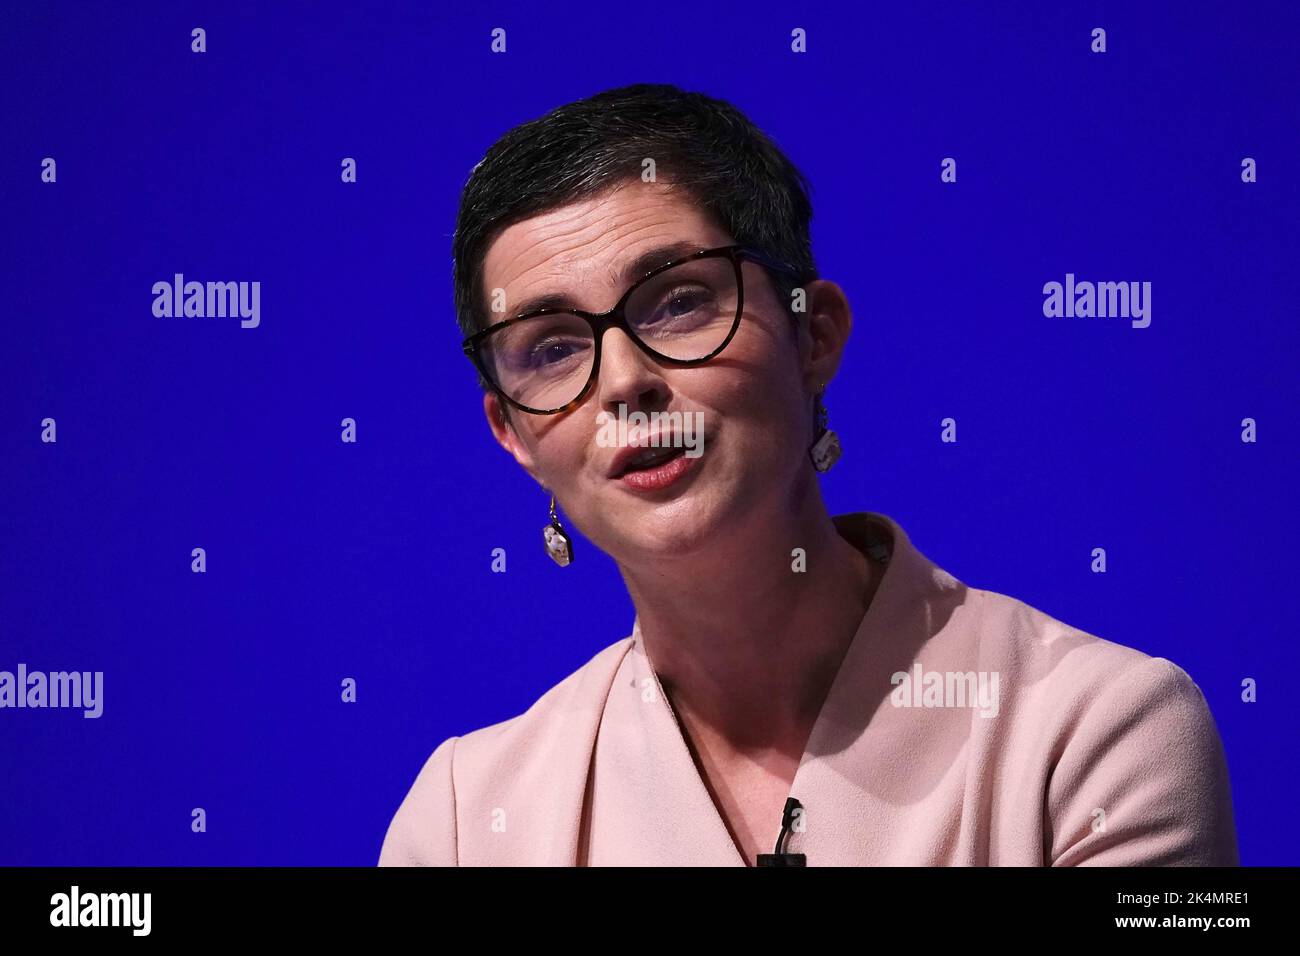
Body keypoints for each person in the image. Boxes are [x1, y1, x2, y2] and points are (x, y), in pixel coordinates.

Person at [378, 83, 1238, 866]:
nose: (623, 382)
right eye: (553, 348)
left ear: (814, 334)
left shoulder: (1106, 731)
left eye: (678, 300)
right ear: (512, 434)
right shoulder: (463, 820)